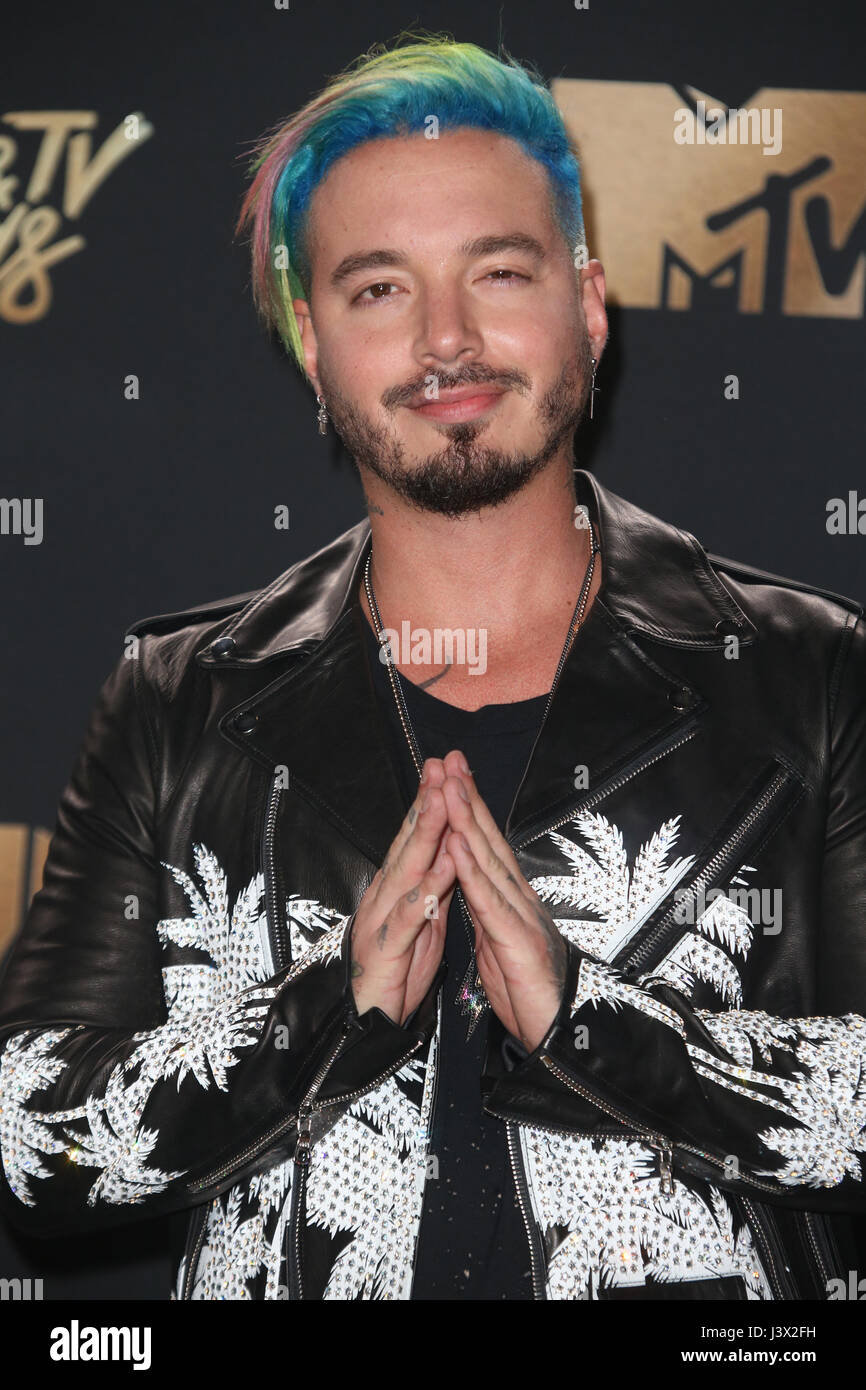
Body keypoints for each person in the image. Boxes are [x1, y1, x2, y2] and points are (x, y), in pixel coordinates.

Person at [0, 35, 864, 1302]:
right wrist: (322, 1020)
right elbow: (29, 1142)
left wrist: (596, 1026)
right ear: (311, 341)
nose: (446, 341)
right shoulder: (183, 695)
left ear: (587, 299)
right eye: (379, 290)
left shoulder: (809, 674)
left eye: (497, 272)